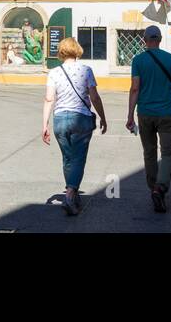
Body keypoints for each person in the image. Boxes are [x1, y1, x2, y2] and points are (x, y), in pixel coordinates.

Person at [126, 24, 171, 213]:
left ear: (144, 40)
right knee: (168, 153)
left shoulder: (138, 60)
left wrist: (130, 115)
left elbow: (135, 88)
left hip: (145, 113)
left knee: (149, 152)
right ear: (160, 39)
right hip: (167, 114)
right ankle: (160, 187)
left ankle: (153, 186)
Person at [41, 36, 107, 215]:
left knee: (68, 158)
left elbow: (49, 99)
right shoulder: (86, 70)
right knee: (78, 158)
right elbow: (94, 97)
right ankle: (70, 195)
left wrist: (44, 124)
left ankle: (73, 191)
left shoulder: (54, 72)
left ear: (61, 52)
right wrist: (102, 117)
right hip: (81, 119)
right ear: (77, 50)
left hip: (60, 119)